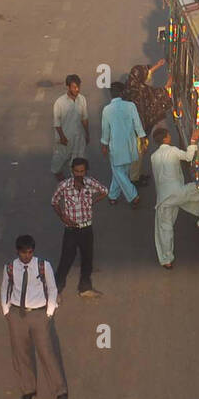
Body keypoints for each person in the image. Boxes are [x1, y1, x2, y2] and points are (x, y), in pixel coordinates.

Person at [0, 235, 67, 399]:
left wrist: (49, 313)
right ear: (17, 252)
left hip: (39, 315)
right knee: (20, 353)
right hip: (16, 313)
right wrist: (7, 311)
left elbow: (52, 288)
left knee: (46, 353)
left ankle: (60, 391)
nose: (27, 256)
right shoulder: (10, 267)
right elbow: (4, 289)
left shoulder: (43, 266)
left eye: (30, 252)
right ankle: (28, 389)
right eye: (23, 253)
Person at [151, 125, 199, 269]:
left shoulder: (153, 157)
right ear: (165, 138)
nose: (171, 137)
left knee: (165, 228)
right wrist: (193, 140)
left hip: (164, 199)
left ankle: (166, 259)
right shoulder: (173, 150)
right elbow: (189, 157)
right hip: (179, 192)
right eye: (169, 135)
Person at [51, 158, 108, 298]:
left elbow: (105, 191)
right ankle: (55, 291)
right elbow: (54, 202)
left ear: (85, 171)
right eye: (76, 171)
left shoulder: (90, 183)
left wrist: (92, 202)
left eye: (82, 171)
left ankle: (85, 288)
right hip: (71, 229)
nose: (79, 174)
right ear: (72, 171)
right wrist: (62, 216)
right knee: (66, 259)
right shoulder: (64, 186)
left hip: (87, 228)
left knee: (87, 258)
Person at [125, 59, 172, 184]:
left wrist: (157, 65)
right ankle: (134, 179)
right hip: (137, 130)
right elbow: (156, 95)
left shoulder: (130, 86)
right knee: (138, 154)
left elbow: (147, 73)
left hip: (132, 128)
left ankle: (136, 174)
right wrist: (168, 85)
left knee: (138, 154)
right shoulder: (141, 91)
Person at [101, 80, 145, 207]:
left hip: (116, 147)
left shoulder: (107, 110)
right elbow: (138, 124)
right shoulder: (130, 106)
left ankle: (133, 195)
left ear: (111, 94)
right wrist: (142, 139)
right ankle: (112, 196)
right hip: (130, 146)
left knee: (118, 171)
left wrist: (104, 145)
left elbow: (105, 130)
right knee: (122, 171)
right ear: (122, 93)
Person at [51, 75, 90, 180]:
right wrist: (62, 137)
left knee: (78, 162)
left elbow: (84, 118)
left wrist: (87, 134)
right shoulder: (60, 102)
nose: (77, 89)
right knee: (59, 162)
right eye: (74, 87)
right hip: (65, 138)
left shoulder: (82, 99)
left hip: (79, 137)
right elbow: (57, 123)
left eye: (78, 87)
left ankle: (75, 185)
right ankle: (62, 182)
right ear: (68, 87)